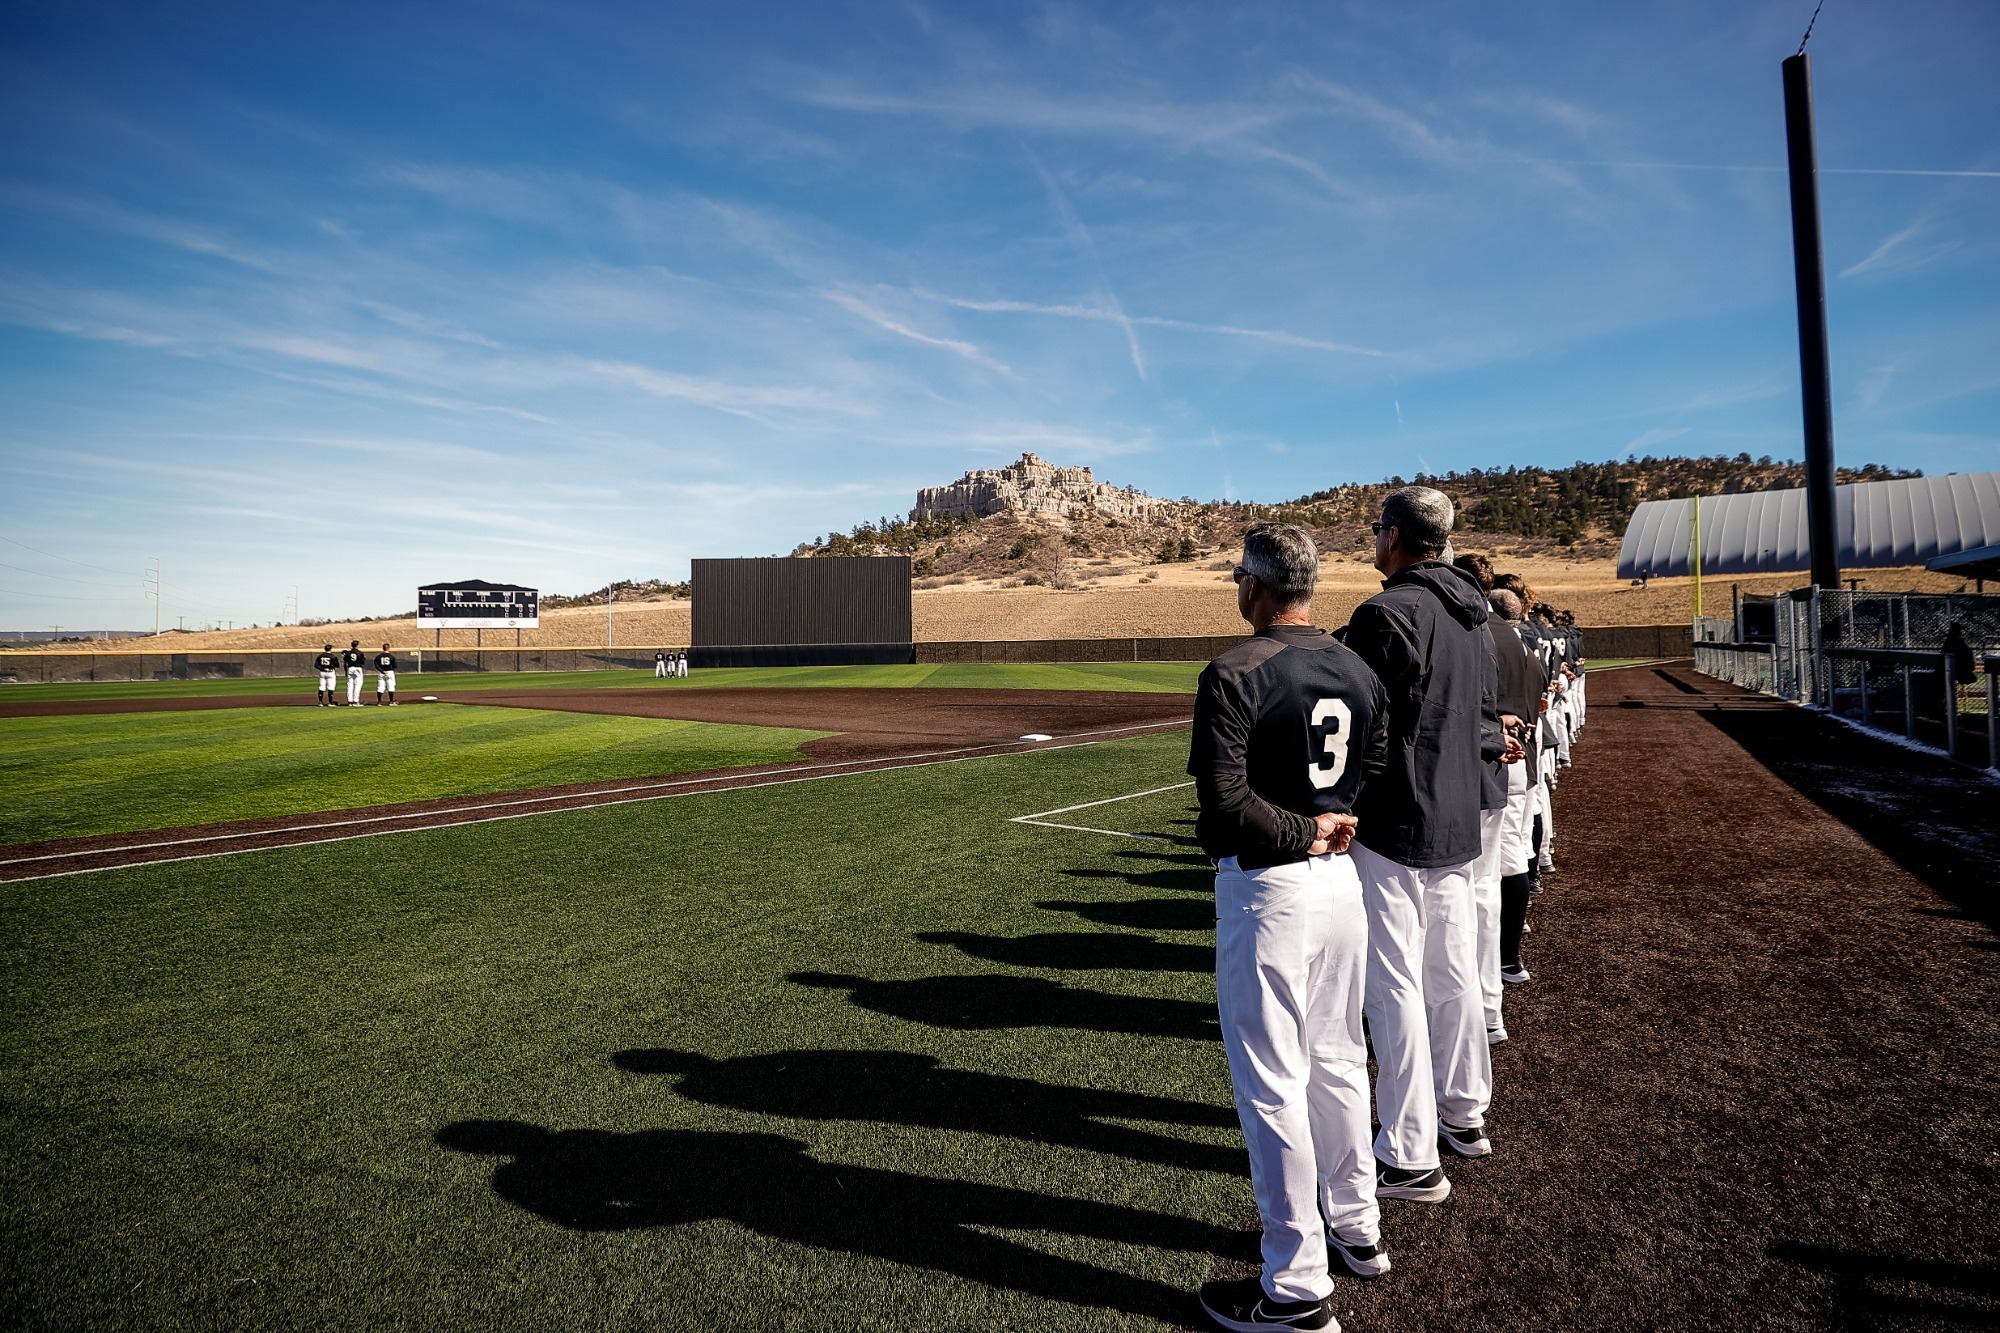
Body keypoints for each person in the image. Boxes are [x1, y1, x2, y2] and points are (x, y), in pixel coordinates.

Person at [1190, 522, 1391, 1333]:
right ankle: (1358, 1226)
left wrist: (1307, 830)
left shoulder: (1235, 669)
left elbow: (1226, 805)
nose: (1237, 586)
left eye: (1239, 575)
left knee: (1274, 1081)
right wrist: (1335, 822)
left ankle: (1299, 1289)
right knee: (1340, 1060)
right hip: (1341, 886)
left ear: (1258, 584)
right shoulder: (1357, 666)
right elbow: (1376, 764)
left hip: (1269, 891)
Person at [1344, 487, 1502, 1197]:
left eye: (1378, 529)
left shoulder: (1386, 612)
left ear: (1399, 536)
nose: (1373, 539)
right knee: (1454, 970)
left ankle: (1409, 1152)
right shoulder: (1477, 613)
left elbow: (1364, 729)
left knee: (1396, 984)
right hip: (1457, 818)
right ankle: (1464, 1113)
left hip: (1397, 820)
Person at [1453, 553, 1526, 1045]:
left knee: (1455, 906)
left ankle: (1468, 1017)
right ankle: (1493, 1003)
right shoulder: (1513, 634)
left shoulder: (1466, 630)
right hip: (1505, 768)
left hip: (1467, 776)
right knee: (1490, 888)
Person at [1488, 589, 1549, 993]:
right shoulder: (1527, 645)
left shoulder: (1491, 637)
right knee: (1519, 848)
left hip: (1501, 760)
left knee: (1504, 860)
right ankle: (1511, 946)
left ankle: (1508, 958)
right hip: (1526, 755)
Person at [341, 639, 366, 707]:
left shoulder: (348, 653)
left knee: (350, 685)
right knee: (358, 685)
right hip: (357, 668)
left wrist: (346, 671)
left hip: (350, 668)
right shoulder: (360, 653)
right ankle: (355, 701)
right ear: (357, 645)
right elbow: (362, 662)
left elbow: (345, 663)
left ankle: (350, 701)